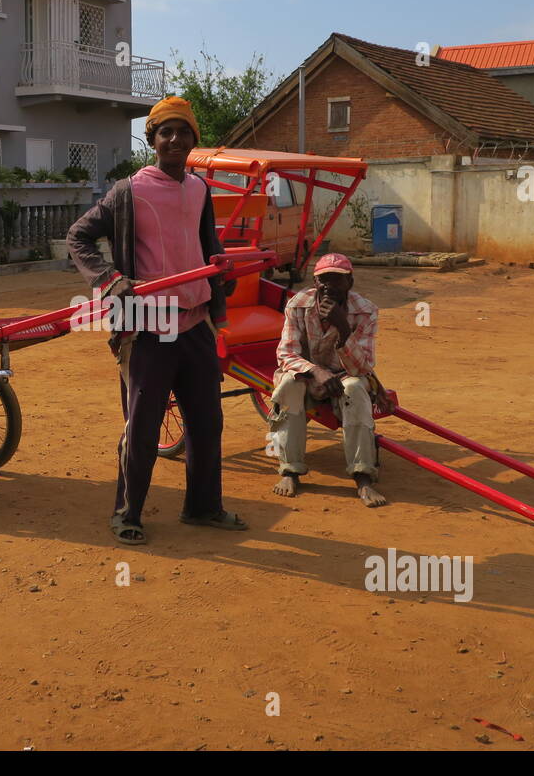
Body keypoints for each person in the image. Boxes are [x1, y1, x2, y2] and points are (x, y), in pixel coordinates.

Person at [66, 96, 245, 545]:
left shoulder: (200, 189)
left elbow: (208, 245)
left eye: (183, 132)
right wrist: (109, 279)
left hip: (195, 320)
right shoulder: (129, 191)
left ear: (193, 141)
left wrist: (221, 276)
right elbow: (79, 236)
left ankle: (203, 507)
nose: (175, 139)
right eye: (165, 132)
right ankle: (127, 513)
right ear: (152, 141)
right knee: (142, 427)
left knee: (206, 422)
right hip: (149, 323)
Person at [268, 252, 391, 506]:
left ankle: (363, 477)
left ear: (350, 283)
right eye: (323, 280)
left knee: (356, 388)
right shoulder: (298, 304)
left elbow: (362, 367)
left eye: (336, 280)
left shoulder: (366, 311)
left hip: (345, 375)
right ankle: (290, 470)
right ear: (315, 283)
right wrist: (316, 371)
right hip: (307, 375)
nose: (328, 286)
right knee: (289, 385)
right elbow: (286, 353)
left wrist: (343, 328)